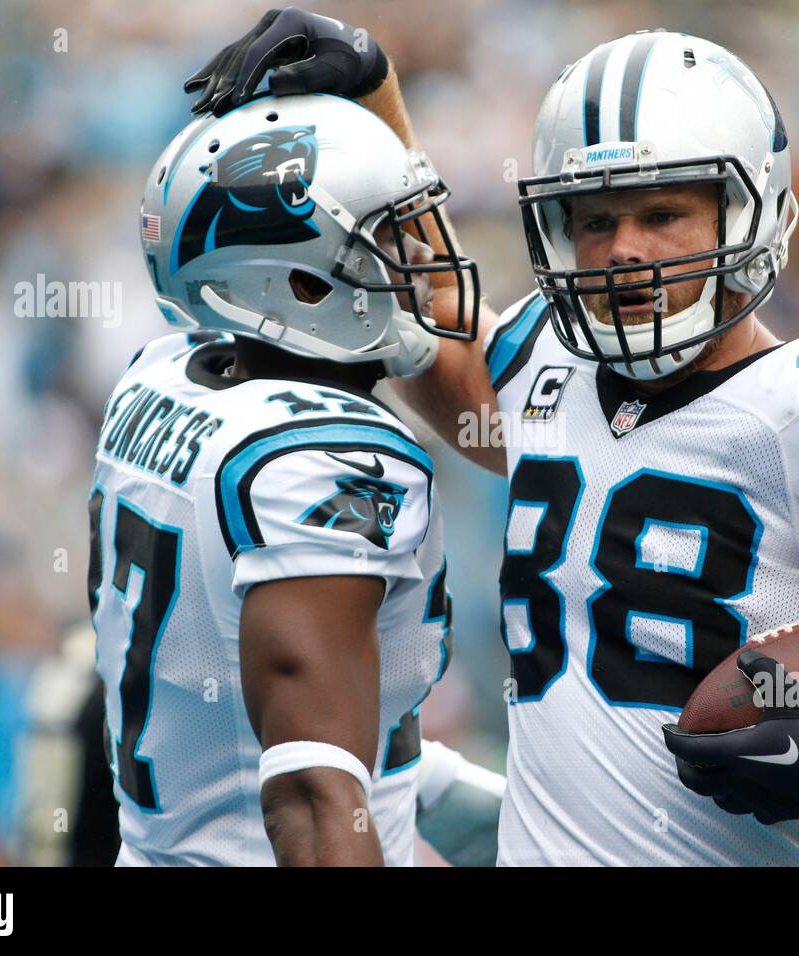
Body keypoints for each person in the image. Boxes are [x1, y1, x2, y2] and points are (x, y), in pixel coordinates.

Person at [187, 9, 799, 865]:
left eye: (663, 214)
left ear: (749, 215)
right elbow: (419, 288)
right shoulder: (546, 374)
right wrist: (373, 89)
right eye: (595, 220)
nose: (623, 248)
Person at [88, 89, 500, 865]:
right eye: (386, 240)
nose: (417, 262)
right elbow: (313, 801)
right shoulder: (326, 463)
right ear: (302, 284)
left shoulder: (162, 373)